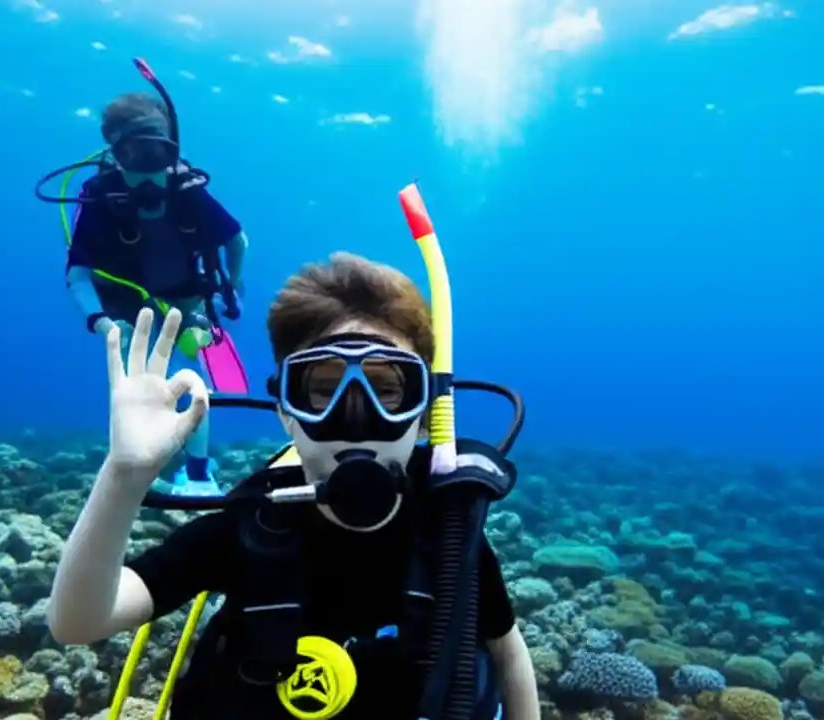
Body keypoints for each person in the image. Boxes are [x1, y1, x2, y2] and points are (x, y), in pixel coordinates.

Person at [47, 252, 541, 719]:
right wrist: (123, 475)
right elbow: (78, 622)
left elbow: (508, 654)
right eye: (322, 390)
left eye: (388, 389)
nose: (355, 416)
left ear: (422, 418)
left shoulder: (449, 534)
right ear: (286, 412)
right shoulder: (250, 528)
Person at [65, 90, 249, 497]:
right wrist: (99, 321)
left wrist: (231, 287)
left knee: (193, 375)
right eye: (136, 155)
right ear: (115, 155)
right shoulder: (98, 199)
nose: (150, 171)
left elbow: (236, 239)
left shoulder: (188, 192)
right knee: (140, 380)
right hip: (127, 305)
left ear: (173, 151)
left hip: (185, 298)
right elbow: (78, 274)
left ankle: (200, 475)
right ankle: (166, 462)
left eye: (158, 155)